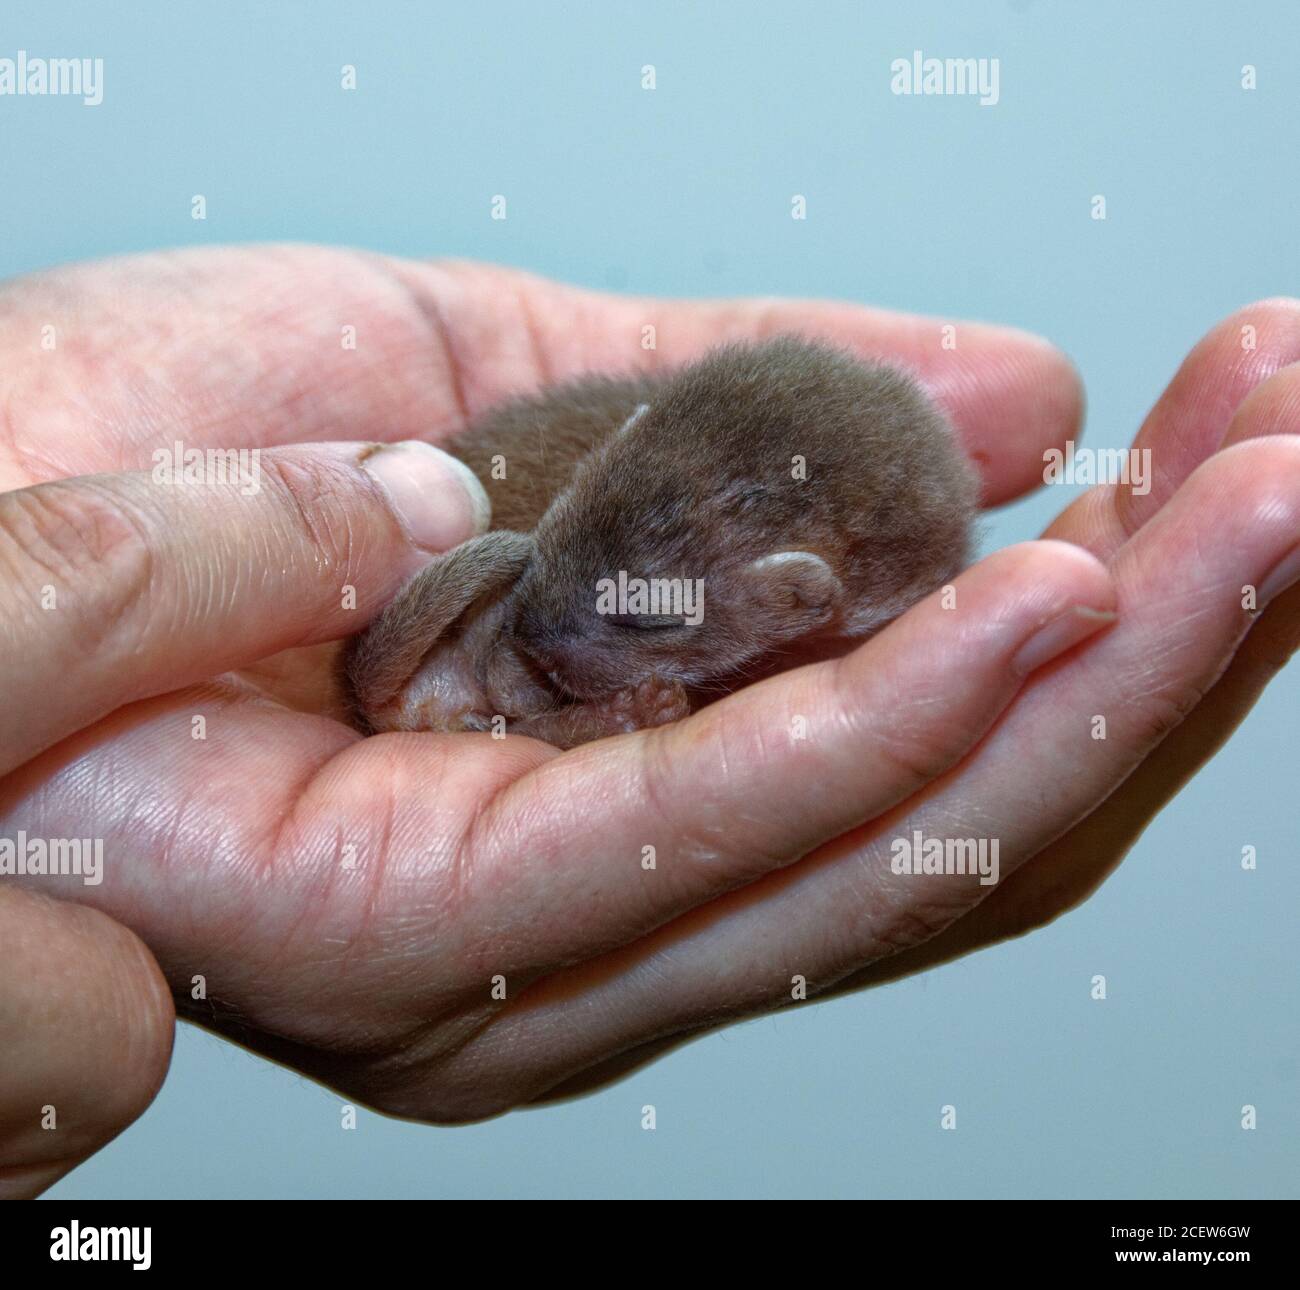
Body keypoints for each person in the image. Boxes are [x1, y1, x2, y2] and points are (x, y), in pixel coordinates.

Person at [1, 246, 1297, 1197]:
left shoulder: (839, 585)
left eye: (636, 620)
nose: (571, 640)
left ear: (802, 602)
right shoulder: (607, 543)